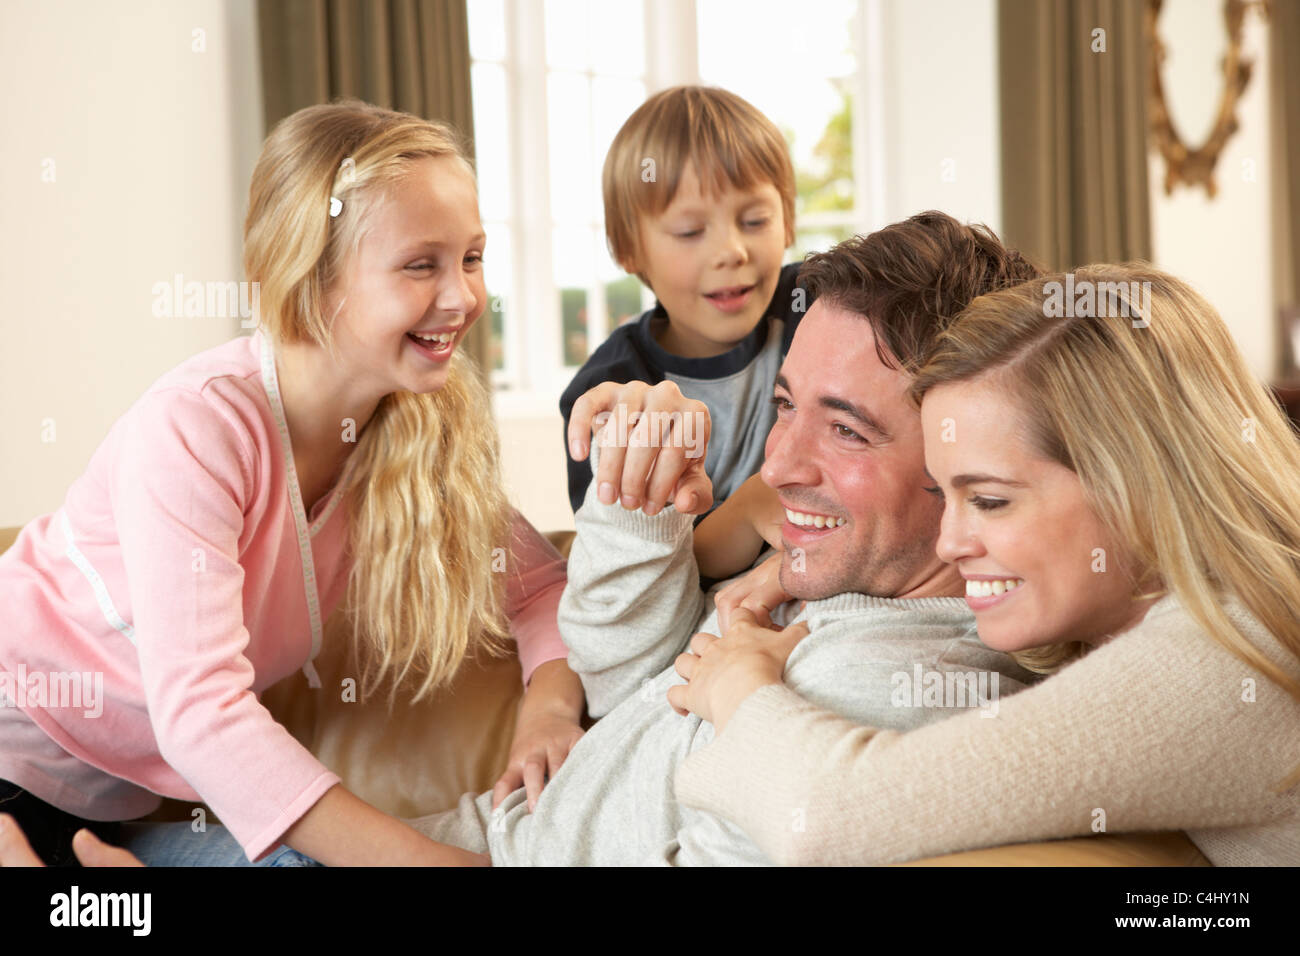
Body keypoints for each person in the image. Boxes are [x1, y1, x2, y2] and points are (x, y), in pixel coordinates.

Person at [0, 100, 586, 867]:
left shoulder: (413, 430)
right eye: (422, 264)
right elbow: (203, 712)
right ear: (311, 275)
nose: (464, 297)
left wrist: (547, 709)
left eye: (471, 259)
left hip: (113, 815)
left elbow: (541, 586)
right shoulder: (199, 427)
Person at [670, 264, 1300, 866]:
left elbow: (830, 815)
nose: (950, 544)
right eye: (946, 495)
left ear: (1140, 486)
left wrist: (737, 685)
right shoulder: (1175, 615)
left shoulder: (1222, 658)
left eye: (991, 501)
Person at [559, 86, 811, 514]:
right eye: (690, 232)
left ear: (787, 224)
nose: (732, 251)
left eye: (755, 220)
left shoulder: (815, 304)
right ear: (628, 249)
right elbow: (623, 557)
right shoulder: (610, 390)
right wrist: (747, 516)